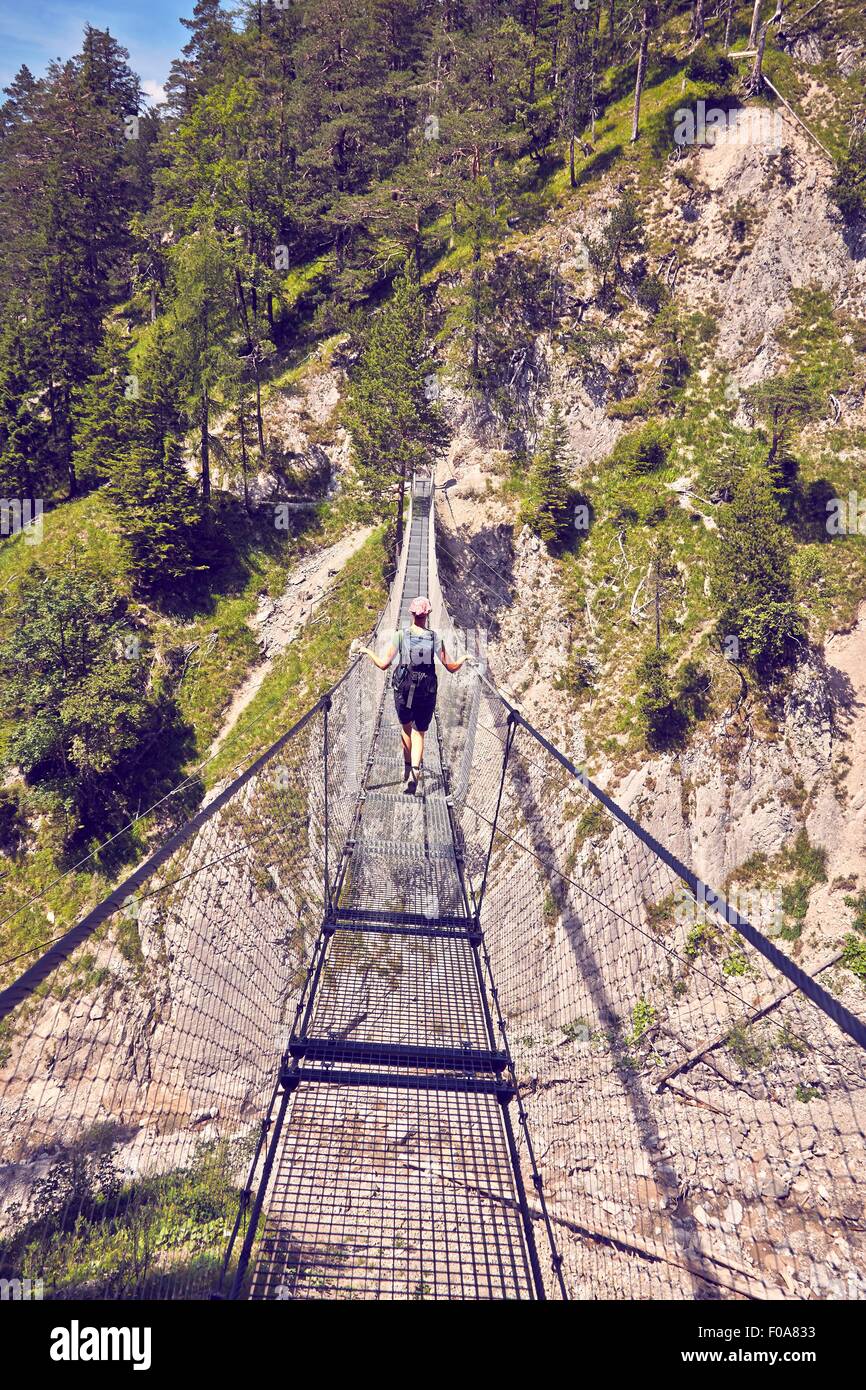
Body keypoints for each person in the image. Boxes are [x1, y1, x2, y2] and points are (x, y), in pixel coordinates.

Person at [359, 595, 468, 793]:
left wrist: (367, 651)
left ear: (411, 613)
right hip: (426, 692)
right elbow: (451, 667)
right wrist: (464, 658)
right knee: (420, 733)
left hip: (404, 690)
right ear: (427, 615)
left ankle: (407, 768)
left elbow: (383, 664)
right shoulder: (435, 638)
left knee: (406, 729)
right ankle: (415, 773)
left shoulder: (401, 635)